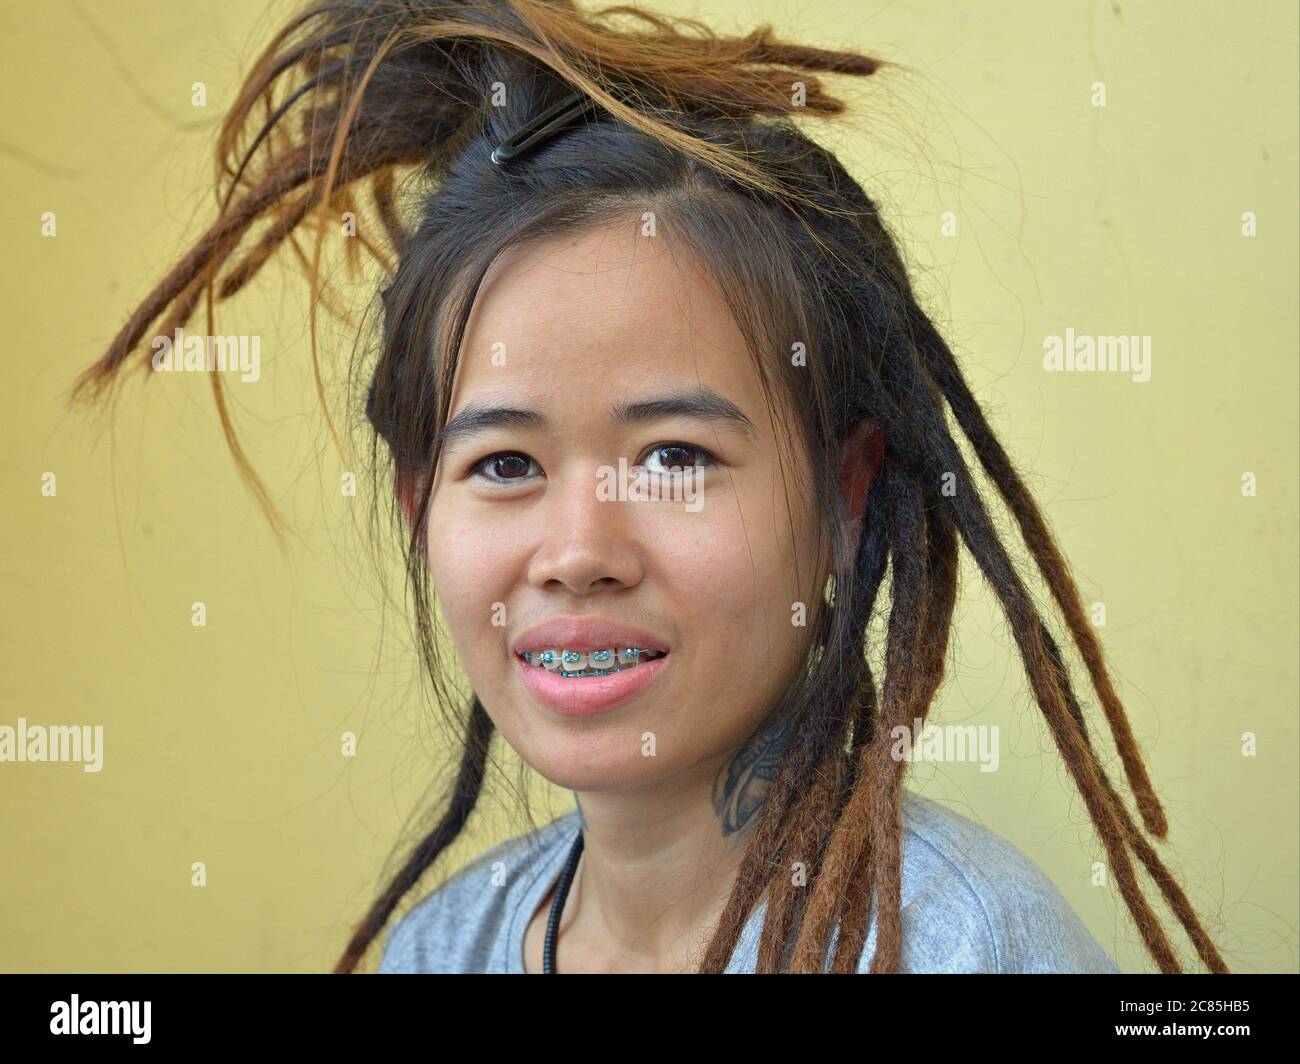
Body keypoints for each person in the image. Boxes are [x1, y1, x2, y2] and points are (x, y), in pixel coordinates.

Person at [75, 0, 1229, 974]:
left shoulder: (958, 945)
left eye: (675, 456)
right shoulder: (440, 949)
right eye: (506, 464)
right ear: (423, 502)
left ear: (841, 496)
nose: (578, 549)